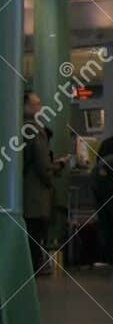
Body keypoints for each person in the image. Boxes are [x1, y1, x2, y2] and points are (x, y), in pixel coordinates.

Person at [21, 92, 56, 275]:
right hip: (35, 192)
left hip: (20, 192)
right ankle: (33, 270)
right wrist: (51, 176)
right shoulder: (35, 130)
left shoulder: (14, 127)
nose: (39, 107)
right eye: (36, 104)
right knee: (35, 232)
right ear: (26, 106)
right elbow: (43, 165)